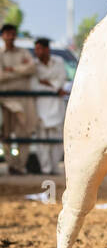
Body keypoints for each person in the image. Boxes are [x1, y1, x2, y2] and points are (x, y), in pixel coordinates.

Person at [0, 22, 37, 174]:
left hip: (23, 98)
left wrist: (12, 70)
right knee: (5, 133)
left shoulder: (24, 52)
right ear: (2, 36)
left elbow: (32, 68)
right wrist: (21, 72)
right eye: (7, 33)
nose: (10, 36)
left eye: (12, 33)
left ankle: (21, 166)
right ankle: (11, 164)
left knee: (25, 132)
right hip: (5, 100)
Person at [30, 38, 68, 174]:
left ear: (47, 49)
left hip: (56, 106)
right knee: (42, 141)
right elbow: (34, 85)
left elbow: (61, 80)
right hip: (40, 106)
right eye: (36, 49)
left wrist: (47, 83)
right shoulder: (33, 64)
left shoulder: (59, 61)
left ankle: (54, 168)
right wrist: (54, 88)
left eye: (39, 49)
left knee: (57, 139)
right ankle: (45, 169)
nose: (37, 52)